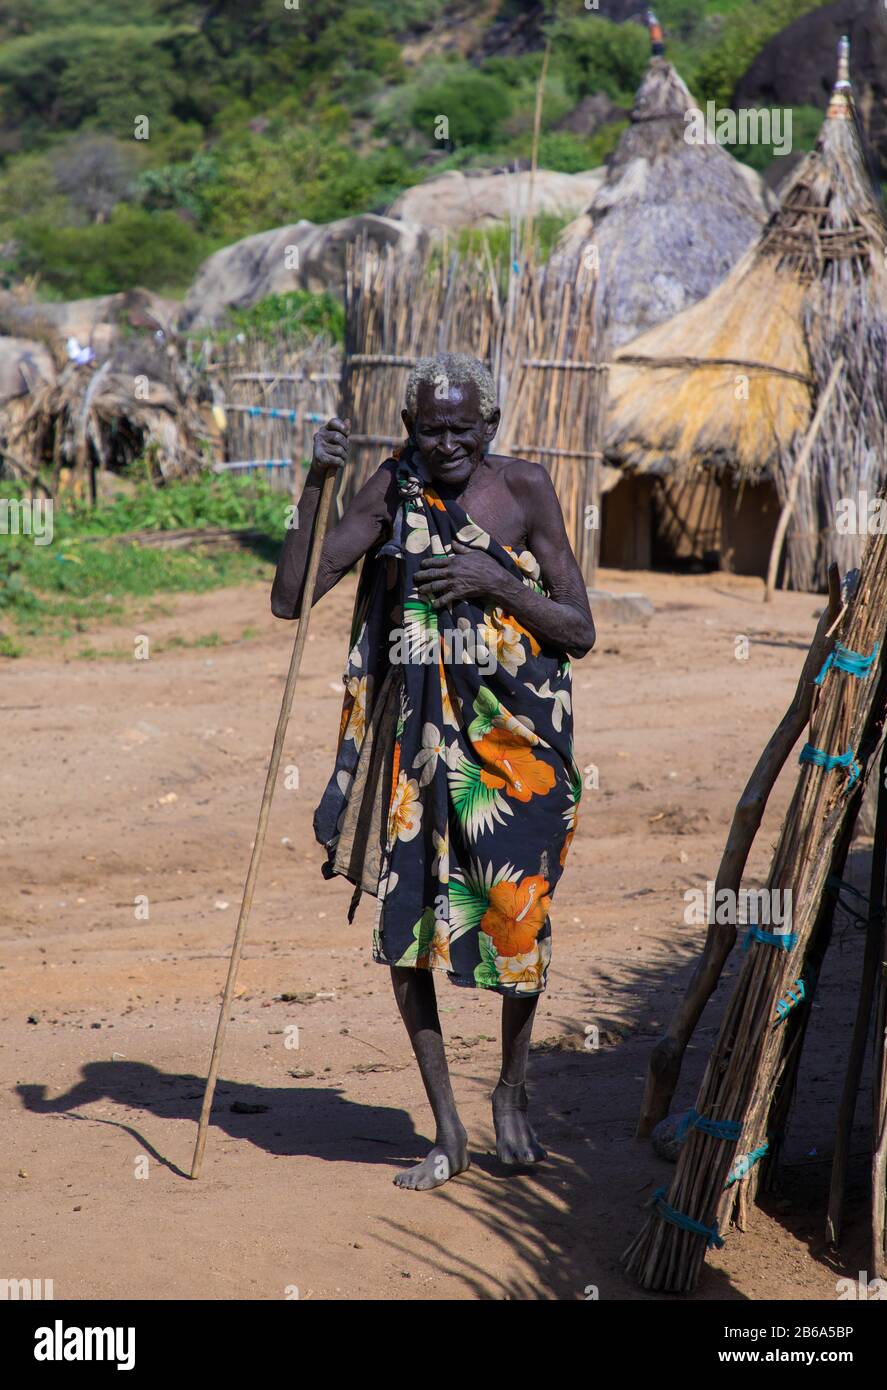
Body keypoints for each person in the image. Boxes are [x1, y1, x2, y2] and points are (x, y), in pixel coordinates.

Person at [272, 352, 595, 1189]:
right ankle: (447, 1131)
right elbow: (291, 595)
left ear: (489, 427)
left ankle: (512, 1092)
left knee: (517, 924)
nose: (445, 443)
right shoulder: (388, 489)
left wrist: (497, 580)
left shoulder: (523, 490)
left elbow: (578, 629)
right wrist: (316, 481)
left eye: (461, 428)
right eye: (428, 428)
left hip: (516, 745)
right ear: (408, 428)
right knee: (409, 932)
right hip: (413, 745)